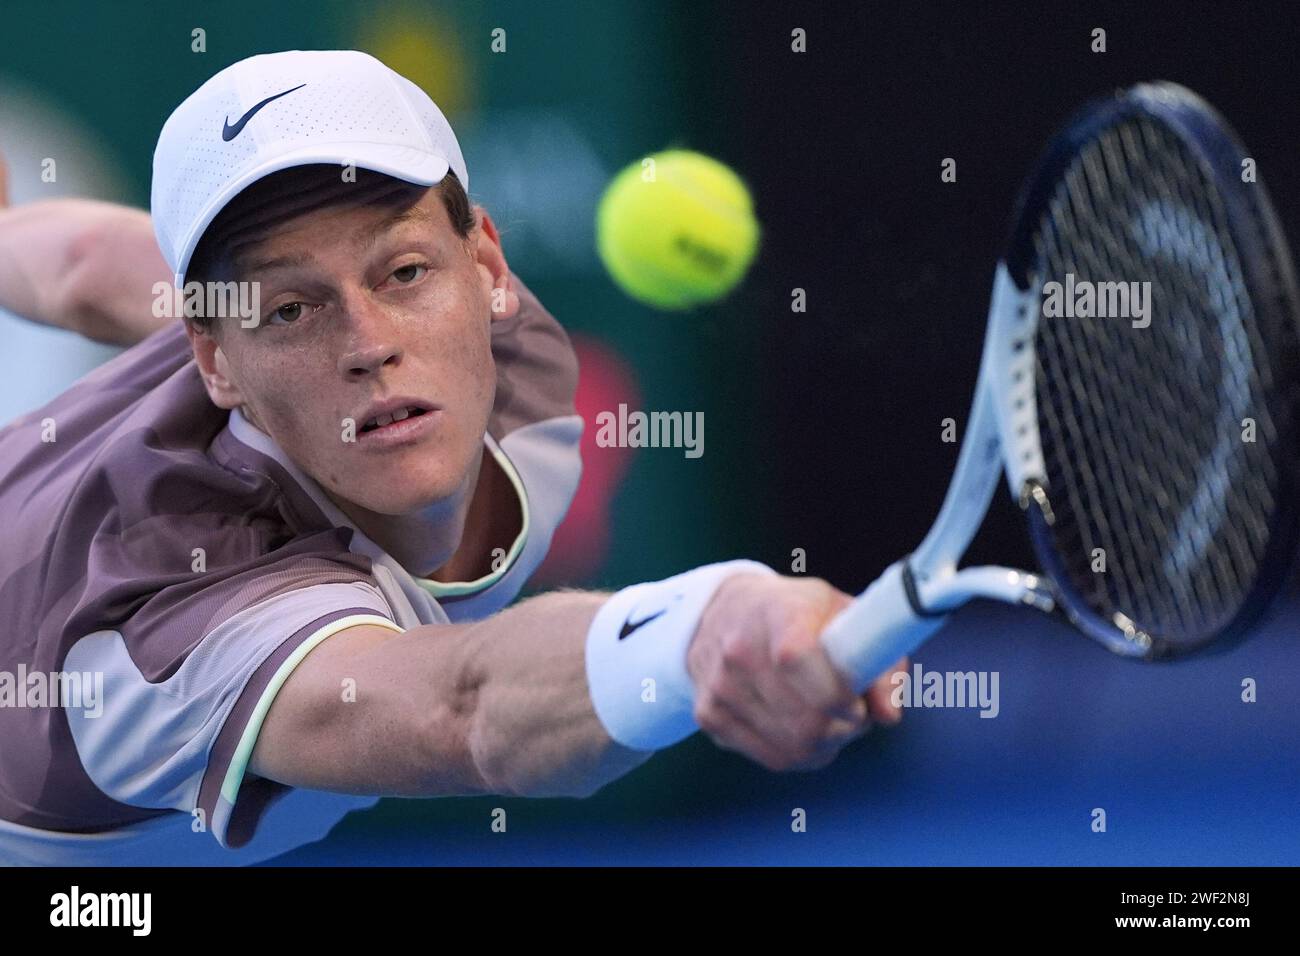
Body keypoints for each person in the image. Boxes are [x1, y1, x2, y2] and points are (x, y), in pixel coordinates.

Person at [0, 50, 904, 866]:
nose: (369, 342)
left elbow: (85, 260)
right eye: (291, 309)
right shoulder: (174, 619)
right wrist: (700, 628)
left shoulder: (522, 361)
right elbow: (460, 708)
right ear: (214, 360)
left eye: (403, 272)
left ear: (488, 269)